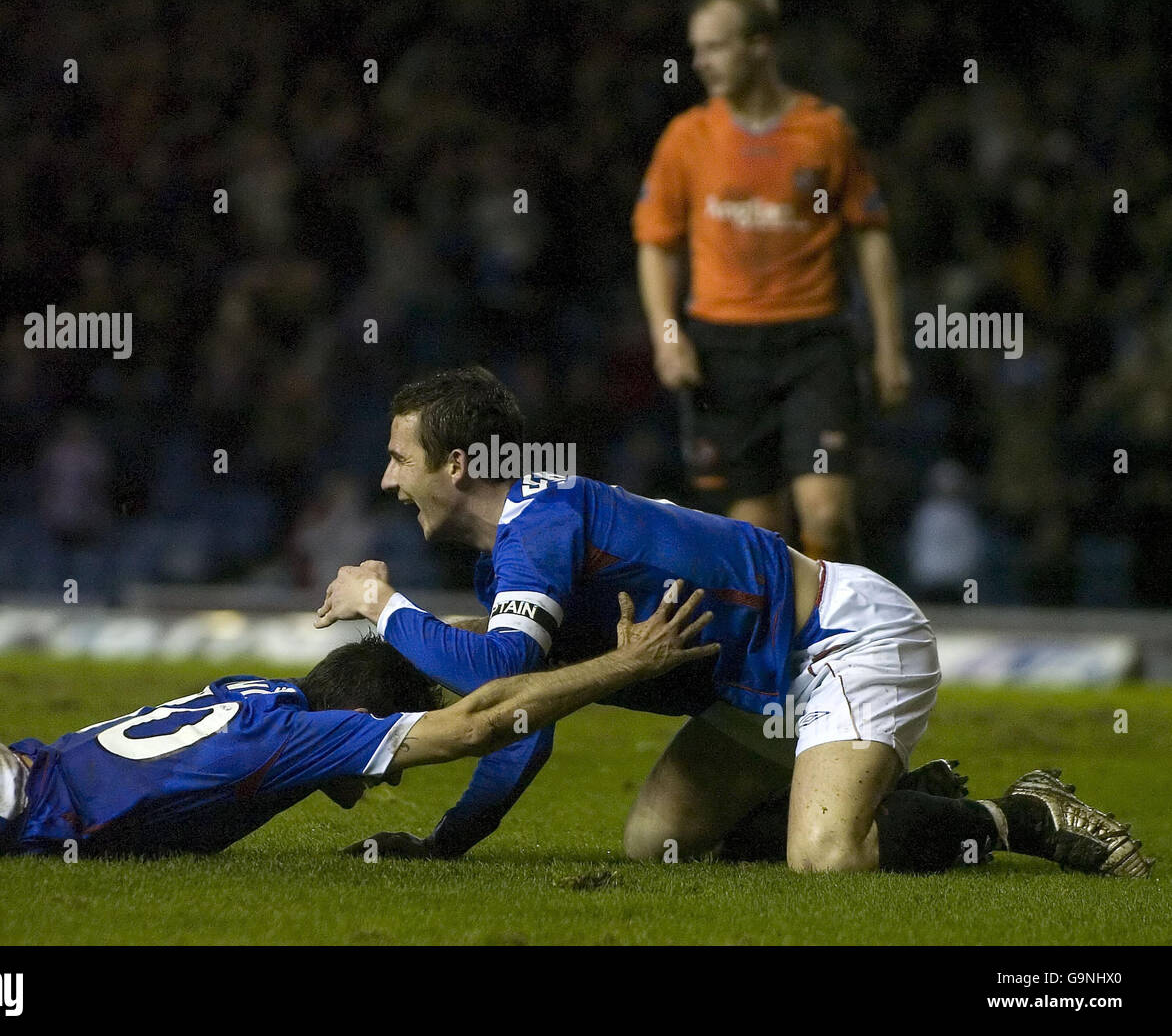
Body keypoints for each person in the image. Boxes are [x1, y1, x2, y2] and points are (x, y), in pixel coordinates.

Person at [315, 366, 1150, 877]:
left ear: (458, 464)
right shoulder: (516, 549)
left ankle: (1019, 814)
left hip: (839, 638)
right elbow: (524, 716)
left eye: (398, 458)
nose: (388, 479)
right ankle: (875, 791)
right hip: (760, 686)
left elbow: (496, 679)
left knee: (825, 858)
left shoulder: (539, 528)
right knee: (659, 842)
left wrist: (381, 604)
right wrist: (445, 845)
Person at [0, 588, 717, 858]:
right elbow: (475, 727)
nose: (388, 775)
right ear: (361, 719)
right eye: (389, 746)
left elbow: (436, 672)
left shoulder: (263, 693)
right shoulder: (304, 738)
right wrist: (623, 666)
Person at [633, 0, 909, 560]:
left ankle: (845, 613)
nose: (700, 62)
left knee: (827, 516)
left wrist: (889, 347)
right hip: (723, 351)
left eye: (716, 47)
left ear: (760, 46)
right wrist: (667, 335)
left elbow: (871, 235)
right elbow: (657, 245)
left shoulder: (825, 130)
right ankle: (792, 621)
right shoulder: (687, 138)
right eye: (696, 49)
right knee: (759, 539)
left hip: (814, 345)